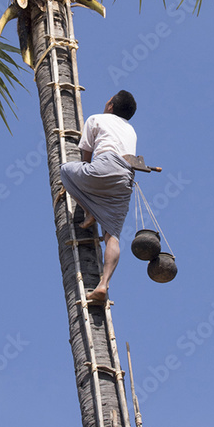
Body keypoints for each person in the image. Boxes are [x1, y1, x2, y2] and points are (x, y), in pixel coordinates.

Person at [60, 90, 137, 304]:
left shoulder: (96, 119)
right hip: (125, 178)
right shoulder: (131, 130)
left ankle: (89, 211)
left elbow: (86, 158)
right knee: (112, 235)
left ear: (110, 105)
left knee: (66, 171)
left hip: (106, 164)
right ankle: (103, 286)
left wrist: (84, 188)